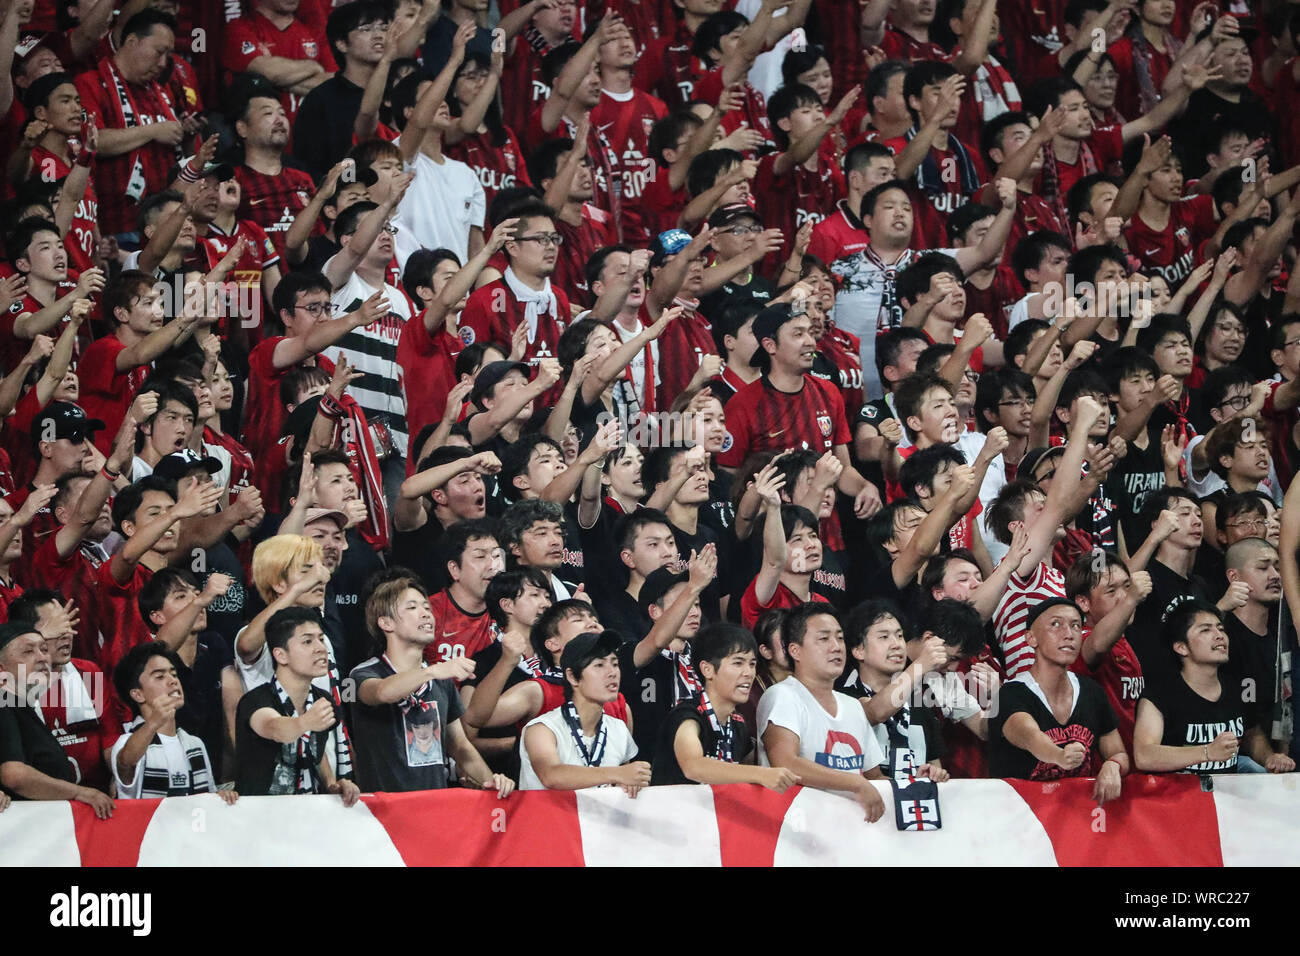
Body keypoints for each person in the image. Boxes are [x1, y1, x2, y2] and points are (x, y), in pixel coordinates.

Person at [349, 576, 514, 795]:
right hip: (382, 812)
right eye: (412, 607)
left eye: (427, 607)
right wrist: (432, 671)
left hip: (434, 807)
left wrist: (491, 783)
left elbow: (460, 747)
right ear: (386, 623)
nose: (426, 613)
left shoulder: (440, 680)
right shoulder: (361, 674)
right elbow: (383, 692)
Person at [989, 597, 1129, 804]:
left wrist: (1113, 765)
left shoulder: (1092, 692)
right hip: (1021, 817)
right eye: (1056, 624)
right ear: (1031, 638)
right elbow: (1030, 736)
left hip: (1074, 816)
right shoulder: (1011, 694)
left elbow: (1118, 752)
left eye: (1075, 626)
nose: (1068, 634)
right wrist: (1059, 756)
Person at [757, 603, 887, 821]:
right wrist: (854, 782)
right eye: (824, 638)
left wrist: (914, 782)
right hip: (795, 829)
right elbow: (786, 763)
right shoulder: (782, 696)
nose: (836, 647)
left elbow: (874, 778)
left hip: (850, 830)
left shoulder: (854, 706)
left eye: (840, 638)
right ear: (795, 650)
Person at [1134, 599, 1295, 774]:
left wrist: (1269, 758)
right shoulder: (1159, 693)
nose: (1219, 635)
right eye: (1205, 629)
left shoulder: (1237, 687)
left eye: (1220, 628)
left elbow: (1251, 734)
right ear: (1181, 647)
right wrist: (1206, 752)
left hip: (1227, 796)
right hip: (1178, 797)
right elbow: (1144, 755)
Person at [651, 621, 799, 789]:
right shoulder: (686, 716)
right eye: (738, 663)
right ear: (707, 670)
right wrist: (761, 774)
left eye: (752, 664)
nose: (748, 673)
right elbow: (693, 766)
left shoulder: (738, 725)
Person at [234, 607, 360, 802]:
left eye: (321, 639)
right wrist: (304, 723)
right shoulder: (256, 700)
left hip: (308, 816)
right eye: (308, 641)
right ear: (280, 655)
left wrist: (332, 785)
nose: (321, 648)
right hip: (260, 820)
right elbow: (274, 728)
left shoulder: (323, 700)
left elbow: (317, 749)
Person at [0, 622, 114, 816]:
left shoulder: (20, 709)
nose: (42, 657)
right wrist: (79, 792)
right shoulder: (4, 703)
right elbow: (14, 775)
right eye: (28, 651)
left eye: (44, 649)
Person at [518, 629, 646, 792]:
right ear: (572, 677)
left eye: (615, 664)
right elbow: (551, 775)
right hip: (548, 816)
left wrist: (629, 783)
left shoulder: (619, 729)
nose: (612, 672)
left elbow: (622, 782)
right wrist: (618, 773)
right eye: (599, 665)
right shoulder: (542, 729)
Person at [110, 642, 235, 801]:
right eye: (160, 676)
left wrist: (219, 798)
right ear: (138, 695)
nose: (173, 681)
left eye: (174, 674)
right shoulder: (126, 742)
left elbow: (205, 800)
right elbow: (126, 762)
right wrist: (154, 723)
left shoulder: (195, 744)